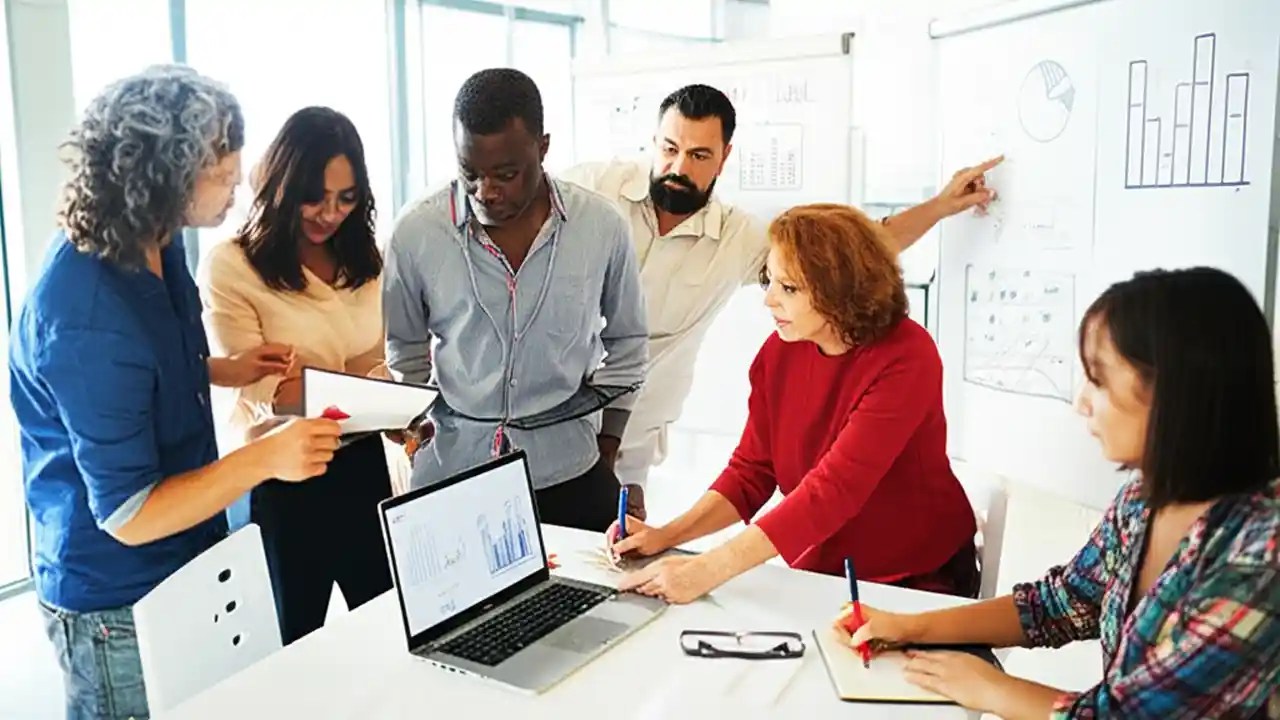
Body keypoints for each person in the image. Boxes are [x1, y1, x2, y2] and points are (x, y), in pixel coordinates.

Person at [8, 65, 342, 720]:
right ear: (158, 179)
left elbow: (157, 358)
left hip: (188, 555)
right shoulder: (87, 313)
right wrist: (266, 459)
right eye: (220, 174)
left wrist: (225, 368)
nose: (239, 184)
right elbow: (129, 512)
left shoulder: (159, 238)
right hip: (115, 598)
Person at [834, 267, 1280, 718]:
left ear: (1179, 392)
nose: (1080, 402)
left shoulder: (1260, 553)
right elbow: (1058, 605)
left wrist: (989, 688)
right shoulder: (1141, 503)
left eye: (1098, 380)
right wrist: (911, 627)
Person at [562, 83, 1001, 519]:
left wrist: (942, 206)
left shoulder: (737, 238)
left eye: (699, 156)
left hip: (629, 443)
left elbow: (850, 252)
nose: (678, 166)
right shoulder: (591, 189)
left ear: (724, 158)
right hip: (547, 422)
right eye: (670, 148)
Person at [608, 203, 978, 602]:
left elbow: (832, 491)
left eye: (788, 288)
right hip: (825, 574)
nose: (768, 300)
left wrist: (706, 569)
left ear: (839, 290)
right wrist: (667, 535)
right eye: (770, 281)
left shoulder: (907, 357)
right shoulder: (780, 351)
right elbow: (752, 472)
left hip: (916, 580)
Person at [383, 67, 647, 531]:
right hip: (451, 475)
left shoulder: (601, 228)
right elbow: (404, 350)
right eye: (470, 173)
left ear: (543, 148)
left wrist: (606, 447)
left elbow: (628, 344)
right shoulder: (415, 233)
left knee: (588, 605)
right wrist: (413, 418)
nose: (486, 191)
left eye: (505, 174)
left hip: (571, 472)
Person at [198, 106, 393, 645]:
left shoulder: (363, 259)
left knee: (384, 633)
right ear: (281, 182)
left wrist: (351, 387)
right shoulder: (232, 265)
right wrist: (360, 390)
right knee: (287, 644)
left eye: (346, 198)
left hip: (359, 464)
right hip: (280, 479)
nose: (330, 213)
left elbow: (372, 362)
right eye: (315, 195)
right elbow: (264, 391)